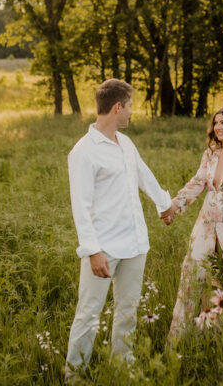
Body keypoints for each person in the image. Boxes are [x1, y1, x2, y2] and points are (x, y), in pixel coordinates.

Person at [65, 79, 175, 374]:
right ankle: (75, 376)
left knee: (128, 312)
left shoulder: (125, 143)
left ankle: (121, 367)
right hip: (104, 248)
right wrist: (92, 251)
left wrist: (164, 205)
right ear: (117, 107)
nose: (131, 112)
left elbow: (144, 176)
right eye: (129, 106)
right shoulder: (84, 152)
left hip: (135, 243)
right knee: (89, 314)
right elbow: (81, 207)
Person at [161, 106, 223, 337]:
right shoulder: (211, 154)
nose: (218, 127)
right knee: (192, 276)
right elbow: (197, 182)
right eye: (216, 122)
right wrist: (174, 206)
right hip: (206, 225)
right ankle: (181, 337)